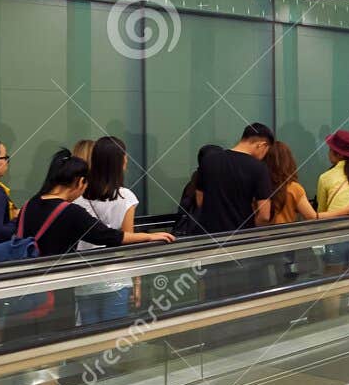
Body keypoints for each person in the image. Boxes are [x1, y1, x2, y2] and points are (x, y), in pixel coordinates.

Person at [72, 136, 176, 321]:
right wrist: (137, 281)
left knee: (87, 340)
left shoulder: (78, 199)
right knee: (113, 338)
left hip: (84, 280)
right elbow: (128, 242)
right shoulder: (125, 197)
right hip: (116, 279)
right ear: (119, 162)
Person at [20, 148, 173, 257]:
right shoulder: (71, 212)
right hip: (54, 286)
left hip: (24, 280)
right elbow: (107, 236)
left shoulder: (29, 205)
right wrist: (148, 237)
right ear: (80, 182)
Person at [194, 123, 274, 233]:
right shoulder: (259, 167)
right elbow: (264, 215)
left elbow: (200, 200)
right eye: (266, 150)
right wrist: (251, 232)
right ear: (262, 145)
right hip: (240, 237)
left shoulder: (209, 160)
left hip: (208, 235)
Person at [264, 140, 318, 224]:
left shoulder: (258, 186)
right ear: (288, 161)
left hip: (260, 235)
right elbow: (312, 216)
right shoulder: (294, 188)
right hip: (287, 235)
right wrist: (343, 211)